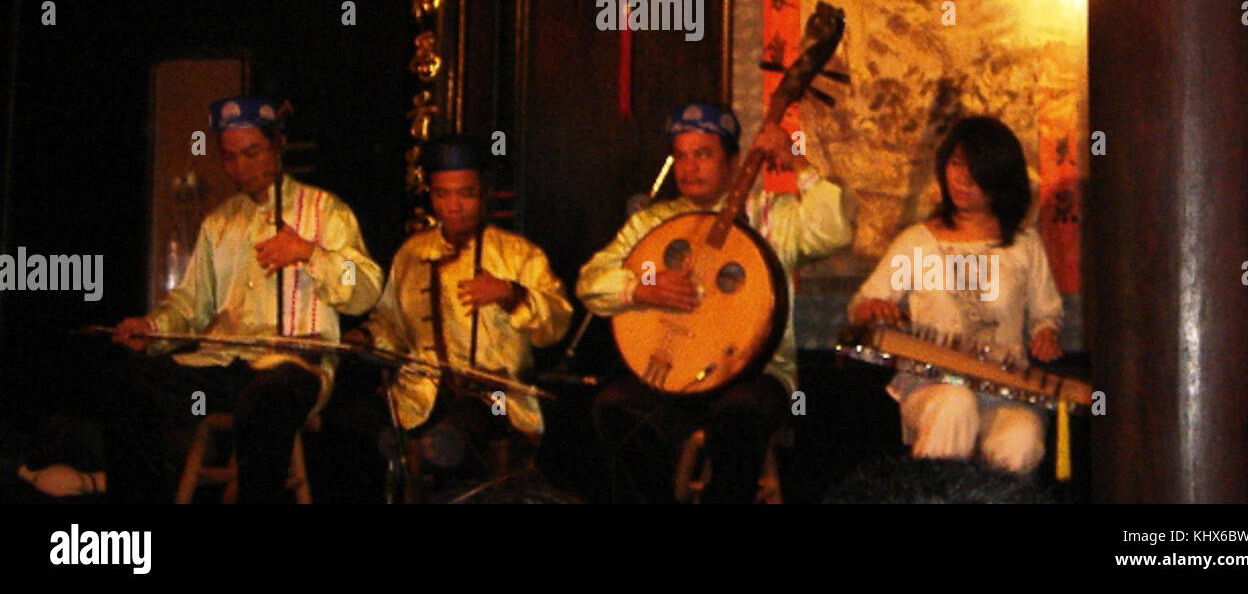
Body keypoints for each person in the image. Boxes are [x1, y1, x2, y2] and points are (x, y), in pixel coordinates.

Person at [106, 95, 383, 502]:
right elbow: (191, 304)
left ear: (277, 145)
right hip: (223, 367)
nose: (241, 167)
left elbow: (365, 287)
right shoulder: (219, 222)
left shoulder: (325, 211)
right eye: (230, 156)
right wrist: (152, 328)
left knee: (267, 398)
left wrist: (310, 253)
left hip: (292, 367)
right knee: (126, 381)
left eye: (252, 153)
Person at [578, 102, 853, 503]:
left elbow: (835, 231)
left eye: (703, 155)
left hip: (755, 373)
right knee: (614, 407)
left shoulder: (771, 215)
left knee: (738, 418)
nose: (689, 168)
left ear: (734, 161)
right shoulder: (651, 223)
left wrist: (796, 161)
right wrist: (642, 286)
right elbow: (590, 283)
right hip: (670, 373)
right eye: (681, 157)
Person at [346, 135, 572, 484]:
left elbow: (556, 322)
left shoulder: (517, 254)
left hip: (497, 396)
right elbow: (391, 324)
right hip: (419, 391)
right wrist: (366, 337)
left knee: (460, 428)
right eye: (442, 194)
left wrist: (510, 294)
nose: (453, 206)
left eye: (466, 194)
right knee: (351, 426)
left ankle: (434, 455)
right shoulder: (411, 253)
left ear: (483, 193)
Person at [848, 115, 1064, 475]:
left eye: (976, 172)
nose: (962, 179)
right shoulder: (917, 243)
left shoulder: (1024, 245)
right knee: (954, 404)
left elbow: (1047, 314)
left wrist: (1046, 334)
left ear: (999, 180)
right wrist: (872, 309)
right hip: (933, 386)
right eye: (956, 164)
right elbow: (862, 306)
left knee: (1020, 439)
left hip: (1005, 386)